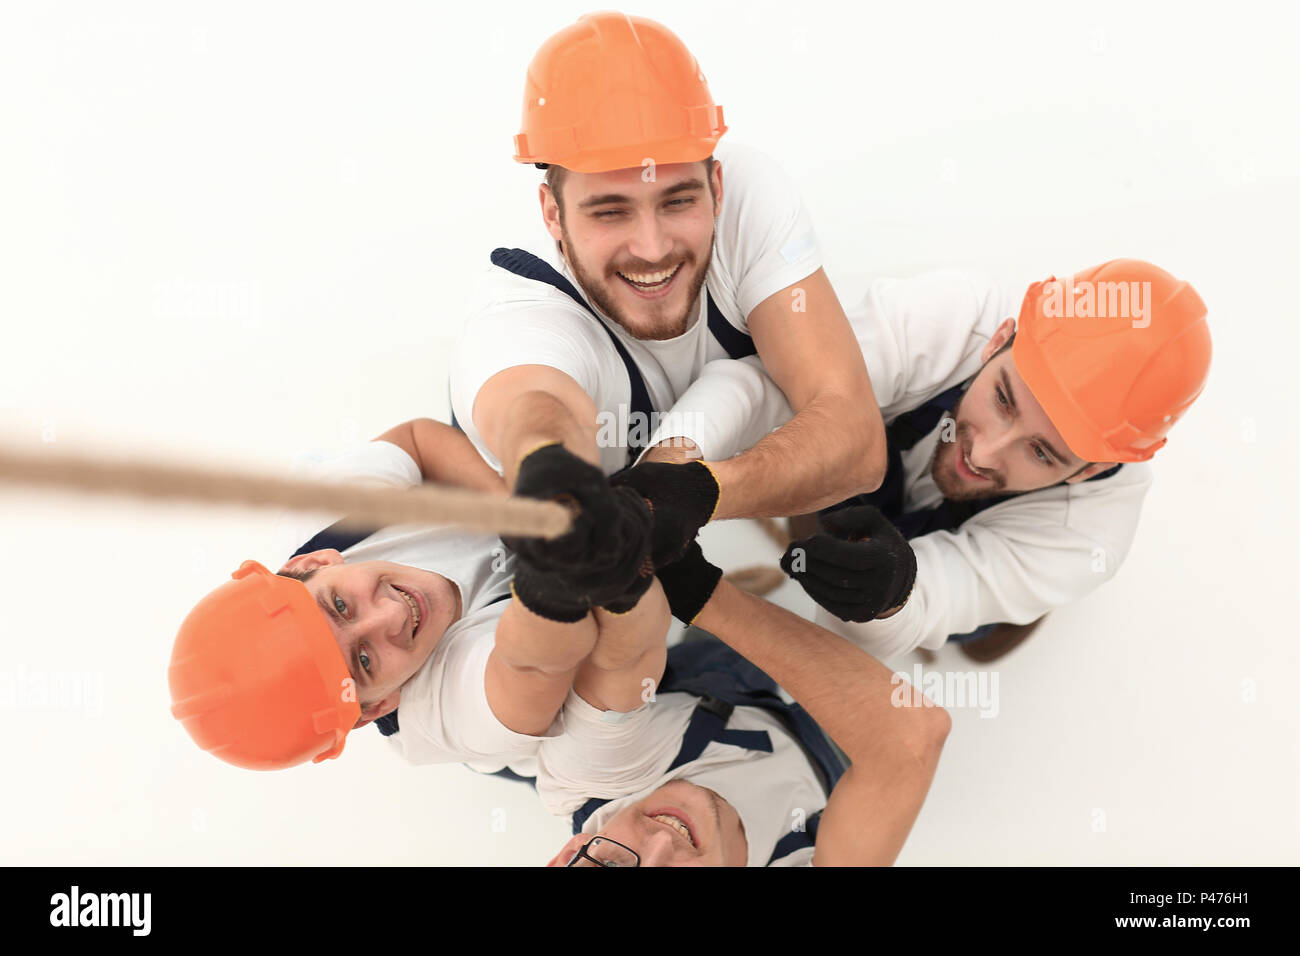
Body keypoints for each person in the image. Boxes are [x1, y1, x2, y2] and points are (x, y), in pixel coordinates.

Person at [450, 11, 887, 584]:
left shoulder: (750, 192)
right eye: (610, 212)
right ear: (552, 214)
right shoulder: (521, 314)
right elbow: (534, 406)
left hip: (713, 424)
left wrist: (695, 494)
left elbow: (858, 444)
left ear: (717, 186)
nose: (653, 249)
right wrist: (550, 465)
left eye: (678, 201)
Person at [645, 259, 1212, 662]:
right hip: (857, 478)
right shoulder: (948, 315)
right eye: (1003, 399)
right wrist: (666, 472)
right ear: (999, 340)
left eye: (1041, 452)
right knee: (822, 478)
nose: (984, 451)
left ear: (1088, 471)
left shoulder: (1087, 536)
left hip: (995, 565)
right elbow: (762, 386)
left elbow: (933, 604)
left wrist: (888, 601)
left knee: (983, 640)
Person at [167, 417, 665, 775]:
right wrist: (561, 564)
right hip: (555, 694)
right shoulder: (441, 715)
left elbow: (419, 441)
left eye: (341, 605)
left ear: (313, 563)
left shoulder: (325, 518)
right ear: (377, 707)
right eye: (363, 660)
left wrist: (514, 510)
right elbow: (538, 666)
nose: (388, 616)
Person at [537, 543, 952, 867]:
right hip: (820, 765)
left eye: (613, 867)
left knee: (708, 652)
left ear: (567, 856)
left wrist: (692, 586)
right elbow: (911, 736)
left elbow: (626, 623)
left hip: (711, 698)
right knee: (865, 690)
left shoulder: (589, 773)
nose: (663, 842)